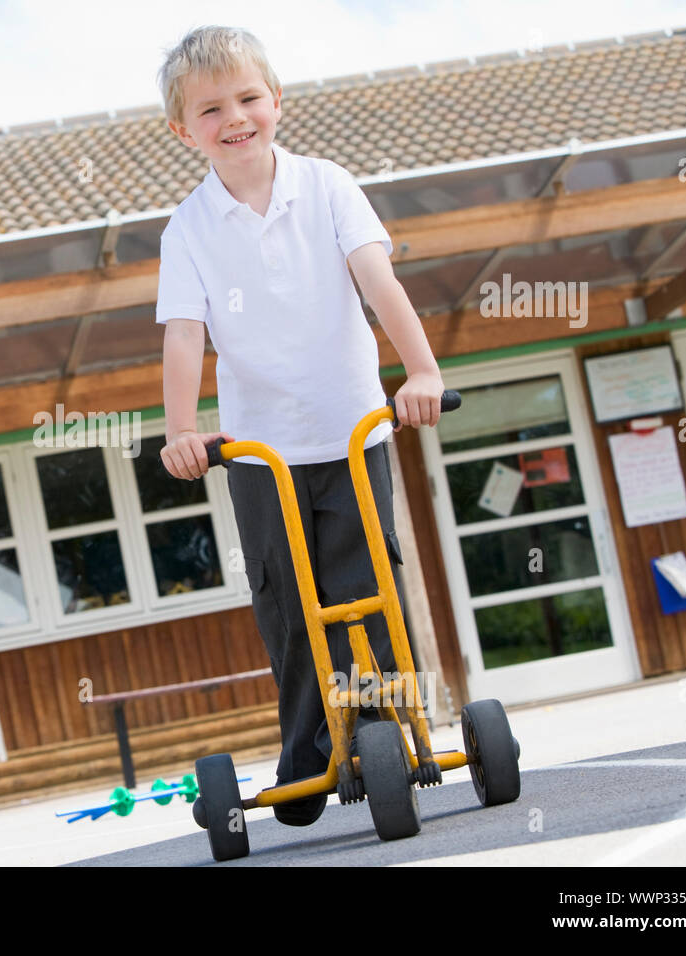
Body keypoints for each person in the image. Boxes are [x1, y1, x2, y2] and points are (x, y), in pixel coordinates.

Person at [155, 26, 446, 826]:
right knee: (286, 603)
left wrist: (419, 370)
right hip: (259, 455)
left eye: (249, 98)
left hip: (352, 433)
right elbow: (184, 333)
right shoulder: (189, 229)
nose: (235, 117)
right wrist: (184, 428)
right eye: (211, 109)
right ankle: (309, 747)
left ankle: (388, 729)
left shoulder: (327, 186)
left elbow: (377, 281)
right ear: (185, 130)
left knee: (368, 590)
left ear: (276, 101)